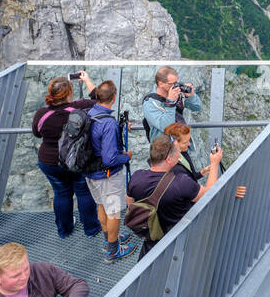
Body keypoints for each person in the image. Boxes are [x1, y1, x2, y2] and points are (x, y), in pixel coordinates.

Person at [31, 72, 102, 239]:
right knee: (83, 192)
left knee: (61, 193)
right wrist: (87, 80)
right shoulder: (80, 106)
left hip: (49, 161)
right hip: (76, 159)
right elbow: (101, 100)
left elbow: (37, 133)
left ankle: (64, 230)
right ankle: (90, 229)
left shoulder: (42, 113)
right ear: (69, 92)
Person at [126, 134, 222, 258]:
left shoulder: (136, 178)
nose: (179, 154)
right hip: (179, 239)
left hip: (152, 239)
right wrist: (214, 164)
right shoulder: (181, 182)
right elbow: (210, 194)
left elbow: (130, 203)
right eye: (177, 152)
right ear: (168, 159)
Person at [84, 80, 135, 263]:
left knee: (101, 206)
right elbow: (110, 159)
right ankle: (113, 251)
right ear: (113, 98)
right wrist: (126, 156)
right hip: (107, 176)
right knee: (113, 213)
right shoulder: (108, 123)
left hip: (91, 173)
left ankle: (108, 240)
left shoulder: (90, 114)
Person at [142, 66, 202, 142]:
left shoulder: (177, 93)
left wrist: (191, 96)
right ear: (161, 84)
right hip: (163, 148)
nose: (175, 86)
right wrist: (170, 103)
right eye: (172, 84)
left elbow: (197, 108)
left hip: (181, 143)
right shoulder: (149, 103)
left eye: (176, 83)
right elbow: (166, 127)